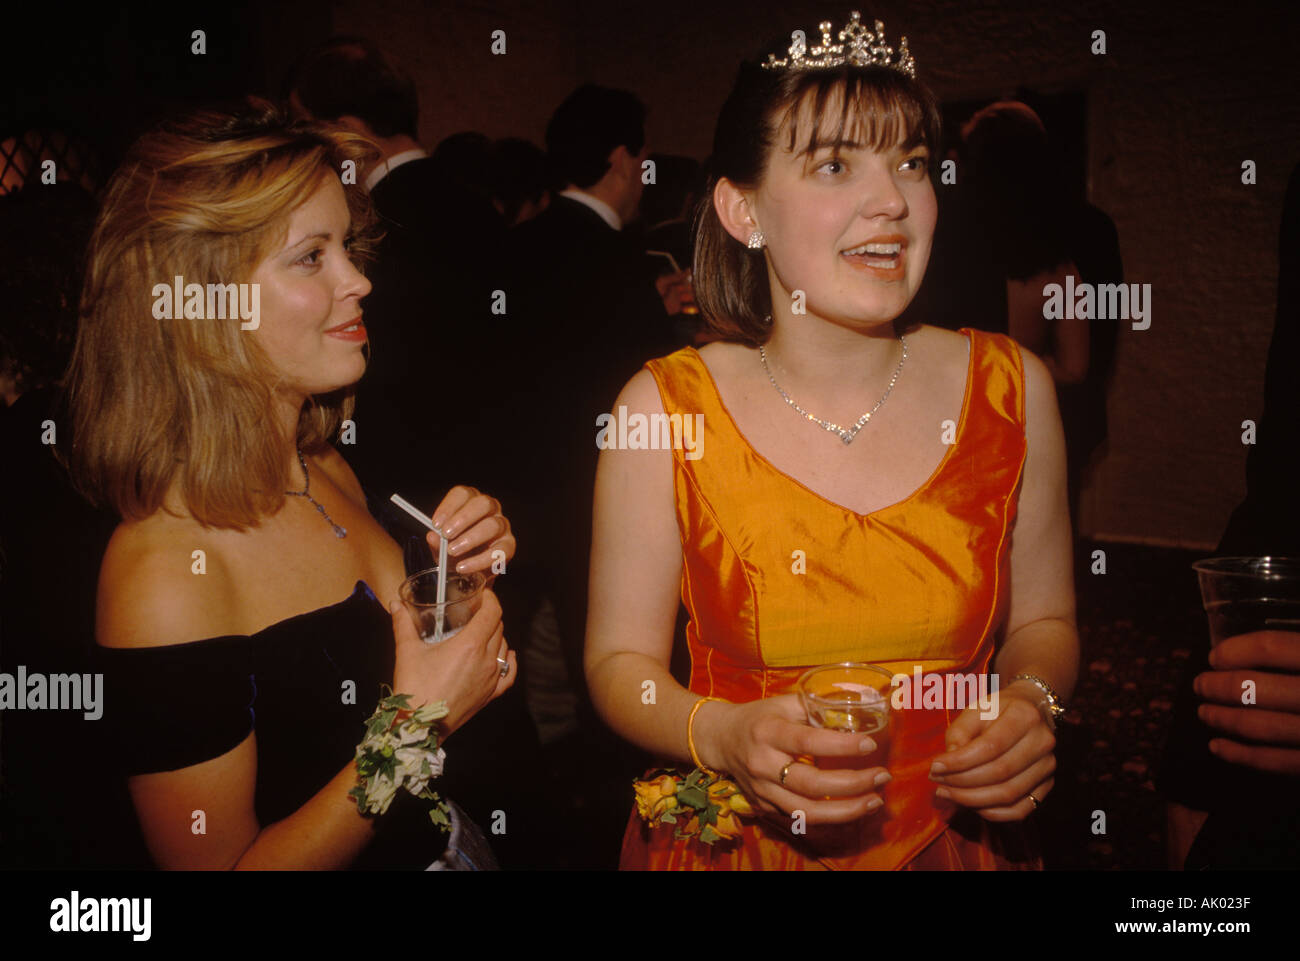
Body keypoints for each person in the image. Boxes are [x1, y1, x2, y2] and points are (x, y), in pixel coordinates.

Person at [585, 12, 1079, 870]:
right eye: (835, 164)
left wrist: (1030, 701)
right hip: (741, 845)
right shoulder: (664, 410)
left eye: (911, 163)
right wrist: (722, 730)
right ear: (743, 209)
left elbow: (1046, 621)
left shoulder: (1014, 389)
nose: (891, 200)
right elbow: (616, 662)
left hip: (955, 841)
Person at [60, 100, 517, 870]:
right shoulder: (163, 572)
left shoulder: (324, 463)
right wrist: (418, 728)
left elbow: (396, 669)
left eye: (348, 246)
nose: (359, 280)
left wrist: (459, 578)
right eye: (313, 257)